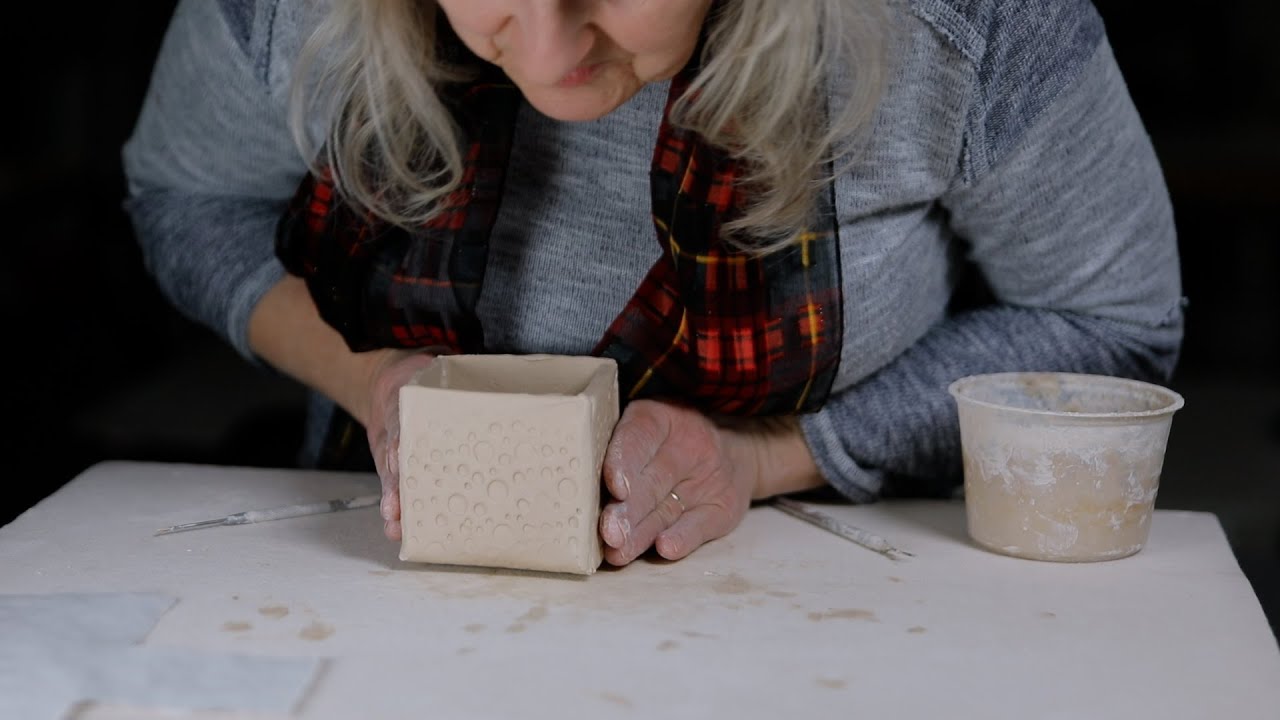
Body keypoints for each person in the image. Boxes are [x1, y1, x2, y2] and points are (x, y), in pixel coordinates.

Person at [121, 0, 1184, 568]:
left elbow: (1109, 323)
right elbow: (183, 195)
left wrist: (765, 459)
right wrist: (374, 381)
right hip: (375, 559)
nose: (544, 44)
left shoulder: (956, 22)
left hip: (832, 578)